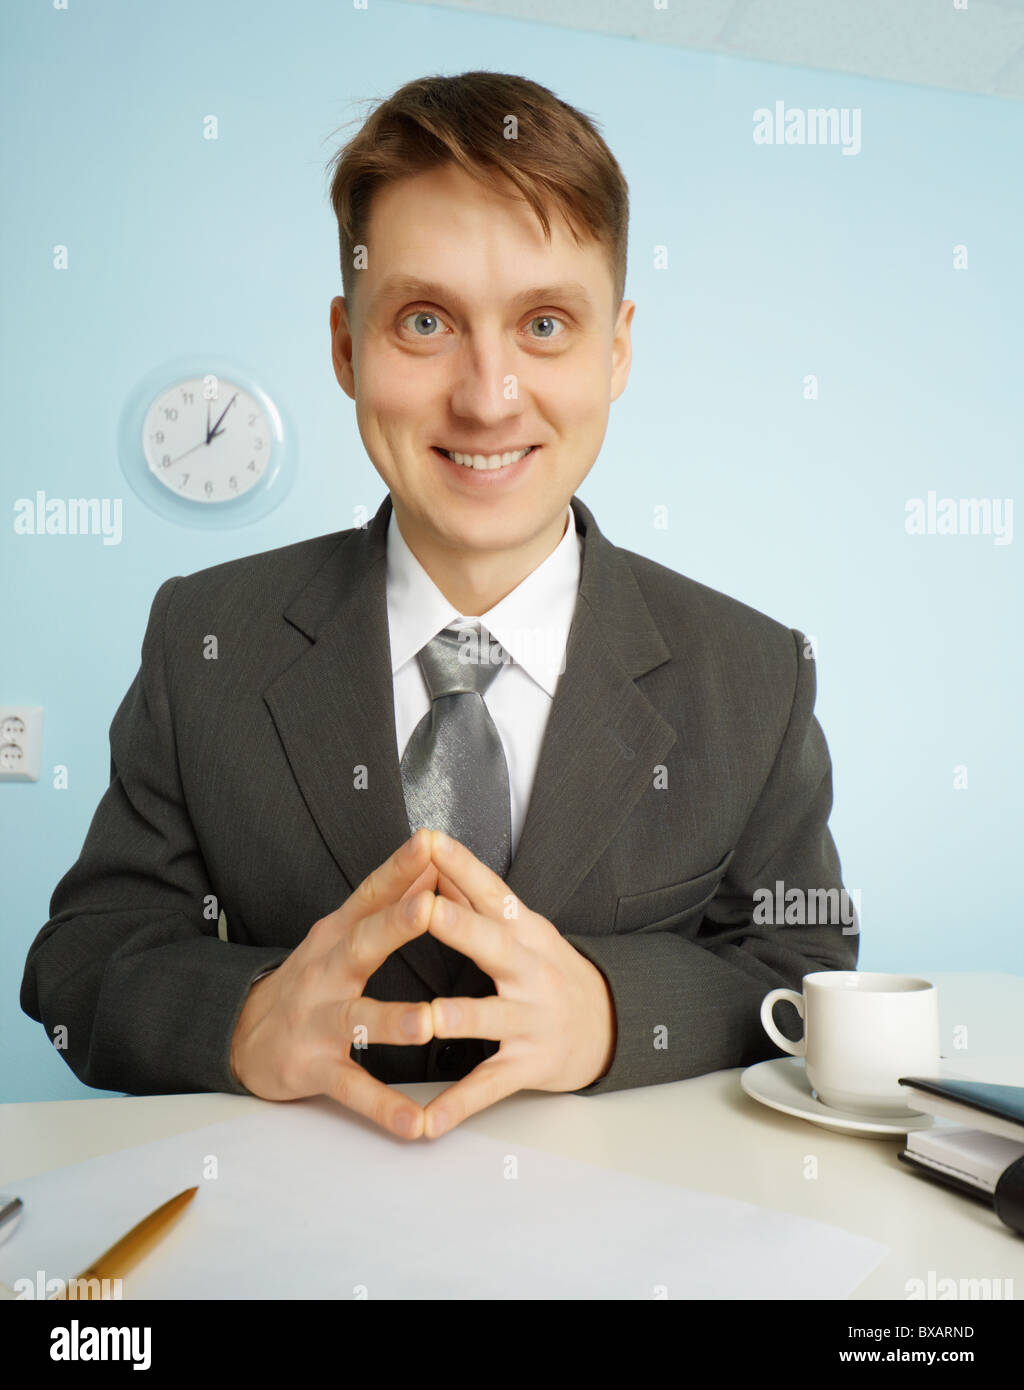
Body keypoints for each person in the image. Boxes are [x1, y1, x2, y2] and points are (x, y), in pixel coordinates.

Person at [21, 71, 857, 1142]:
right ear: (345, 345)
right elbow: (83, 962)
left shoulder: (754, 672)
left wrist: (614, 1014)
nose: (487, 395)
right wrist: (246, 1018)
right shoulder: (204, 637)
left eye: (546, 323)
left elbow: (803, 965)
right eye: (424, 321)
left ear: (617, 349)